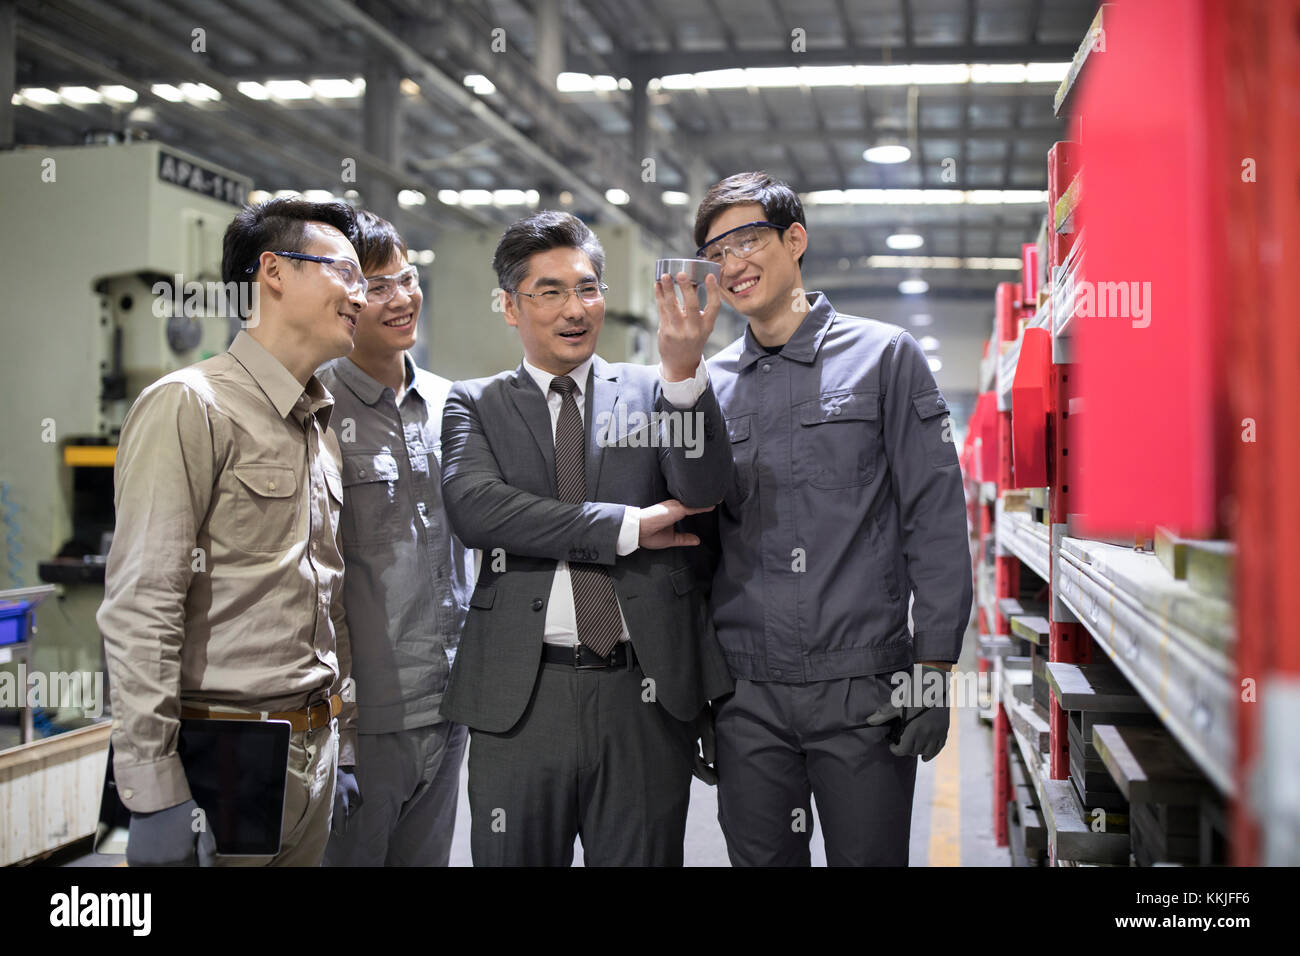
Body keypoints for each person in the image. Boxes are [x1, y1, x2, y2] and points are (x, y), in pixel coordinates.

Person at [687, 171, 973, 866]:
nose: (732, 265)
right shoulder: (710, 384)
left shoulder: (885, 358)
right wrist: (698, 687)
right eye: (715, 252)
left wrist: (932, 670)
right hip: (747, 693)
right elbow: (696, 551)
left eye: (748, 241)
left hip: (863, 688)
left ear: (795, 240)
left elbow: (934, 520)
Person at [438, 210, 734, 866]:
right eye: (550, 291)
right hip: (521, 698)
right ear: (511, 306)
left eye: (588, 287)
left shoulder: (655, 392)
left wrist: (685, 372)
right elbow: (478, 511)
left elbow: (706, 487)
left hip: (642, 695)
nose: (575, 308)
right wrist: (624, 527)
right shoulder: (475, 403)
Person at [98, 197, 365, 866]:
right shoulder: (190, 405)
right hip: (223, 752)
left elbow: (329, 601)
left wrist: (344, 742)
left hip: (313, 750)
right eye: (346, 273)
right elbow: (143, 604)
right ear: (273, 272)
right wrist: (153, 789)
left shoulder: (318, 424)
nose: (361, 295)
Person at [318, 212, 473, 866]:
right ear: (345, 298)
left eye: (407, 278)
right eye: (379, 285)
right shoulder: (317, 407)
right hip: (366, 718)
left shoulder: (451, 403)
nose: (403, 297)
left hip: (451, 704)